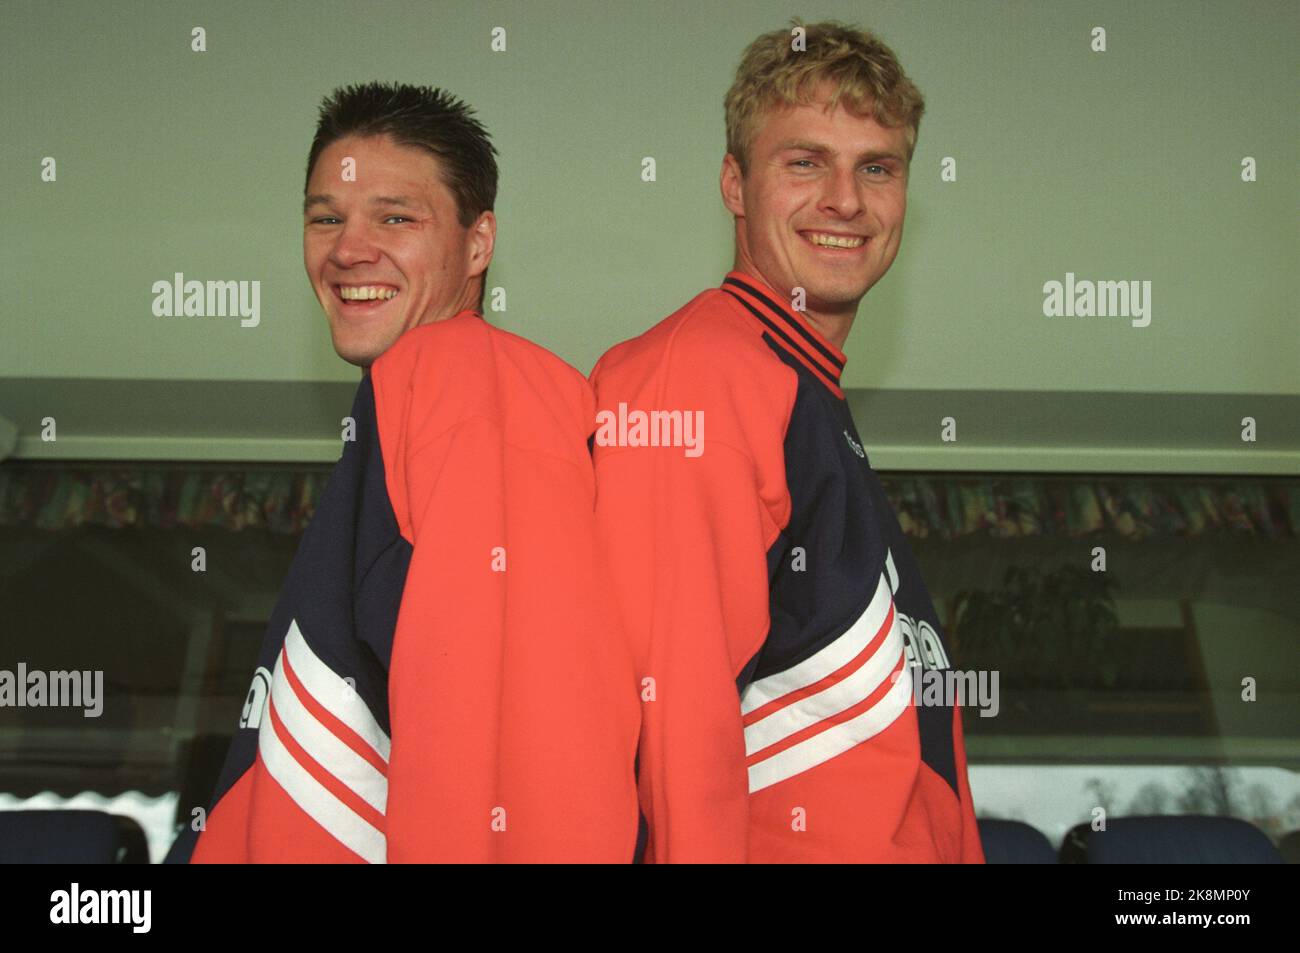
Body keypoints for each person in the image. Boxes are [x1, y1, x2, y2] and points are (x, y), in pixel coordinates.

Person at [169, 82, 638, 863]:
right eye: (326, 217)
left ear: (479, 242)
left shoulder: (463, 374)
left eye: (396, 217)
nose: (349, 248)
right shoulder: (405, 401)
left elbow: (519, 755)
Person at [590, 21, 985, 862]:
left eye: (876, 167)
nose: (846, 200)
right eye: (805, 162)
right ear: (734, 184)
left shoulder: (802, 390)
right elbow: (670, 732)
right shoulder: (701, 373)